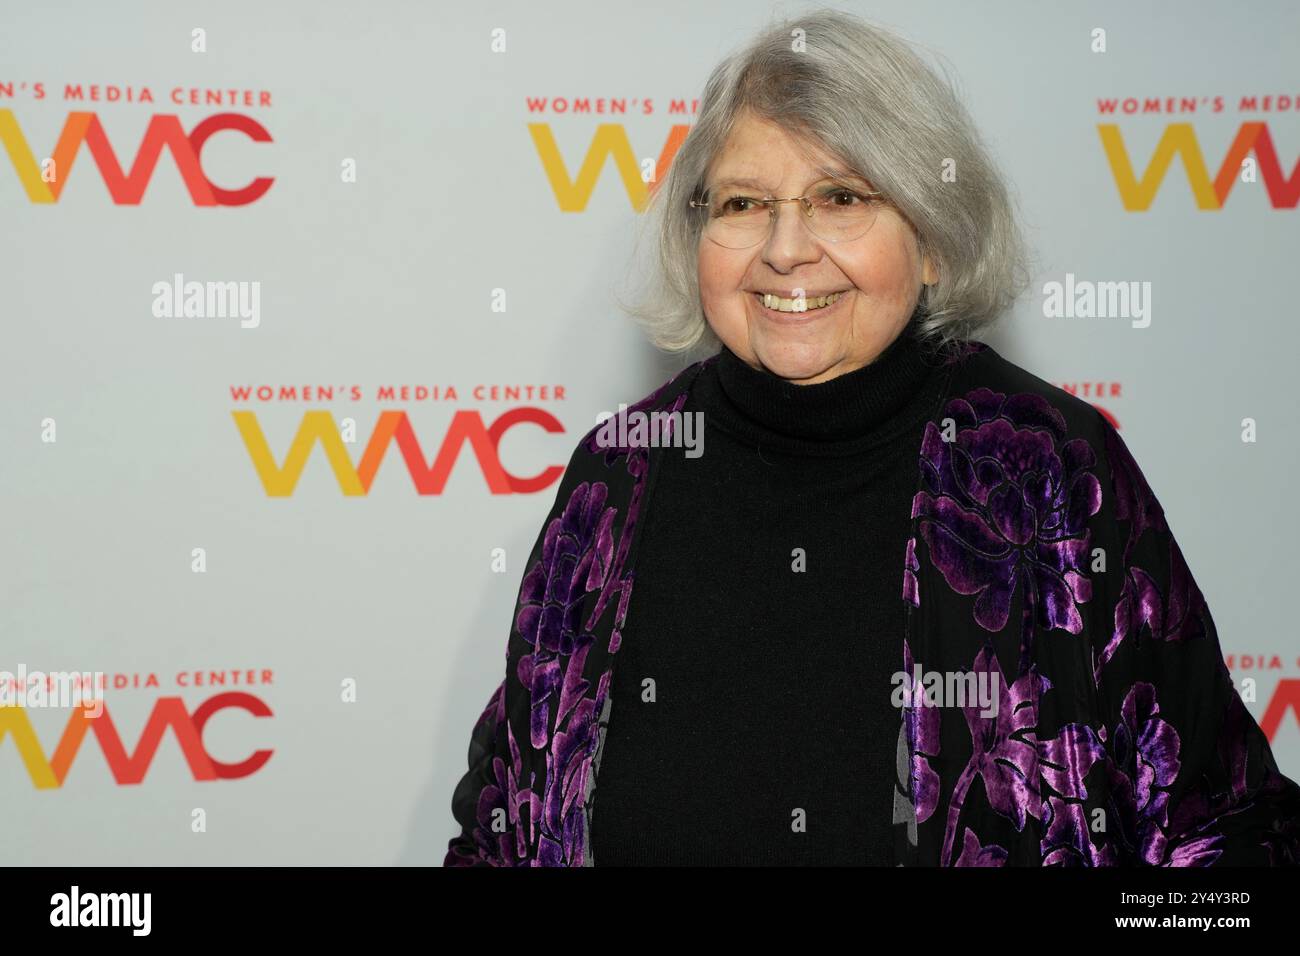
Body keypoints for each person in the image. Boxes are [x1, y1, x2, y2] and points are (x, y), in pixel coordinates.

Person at [443, 8, 1300, 866]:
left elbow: (1225, 841)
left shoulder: (1050, 473)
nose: (785, 251)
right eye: (744, 203)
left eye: (840, 199)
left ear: (931, 239)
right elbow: (500, 831)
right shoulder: (620, 472)